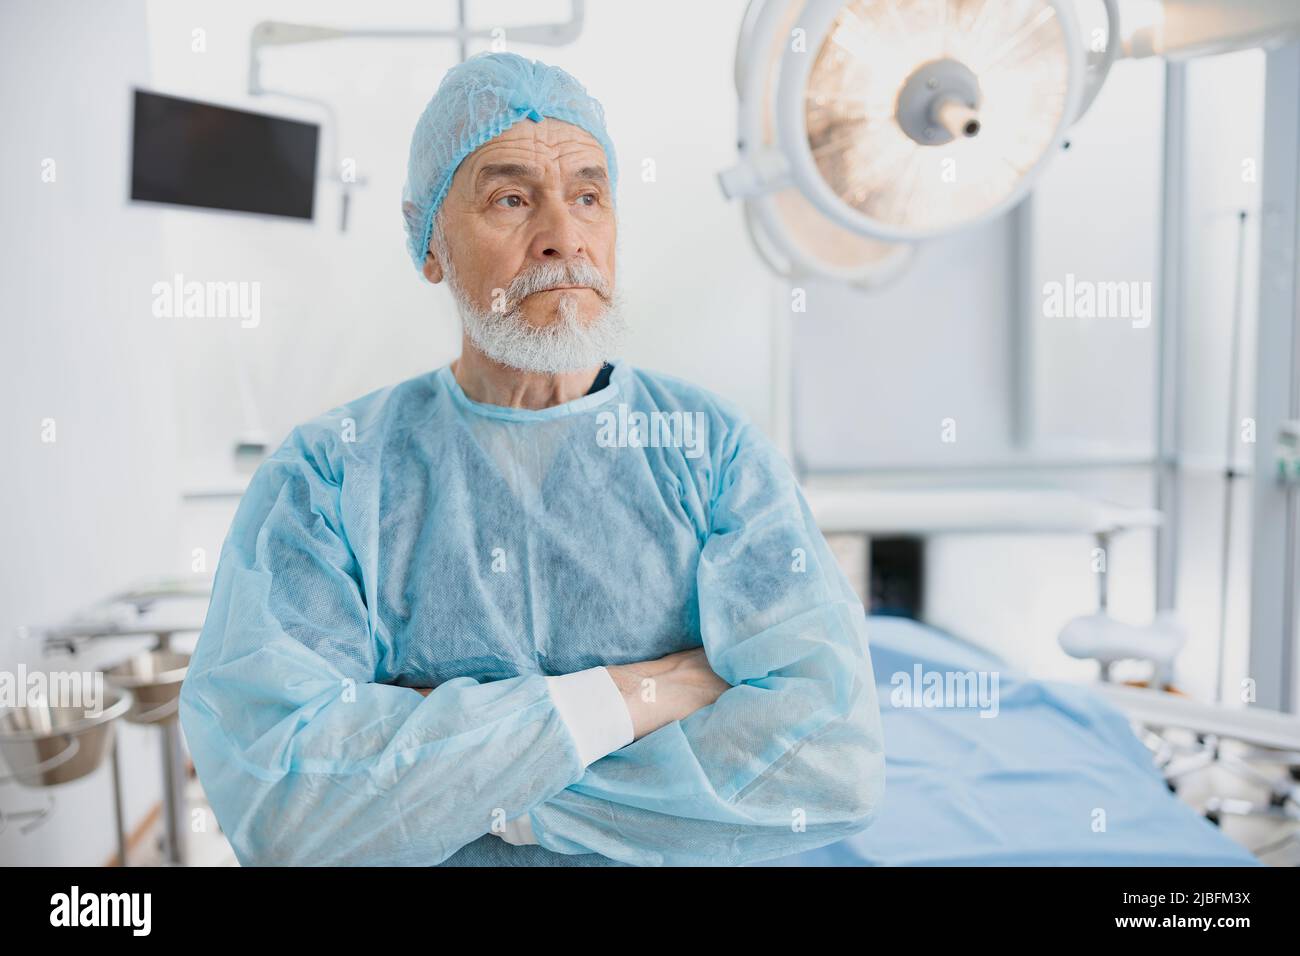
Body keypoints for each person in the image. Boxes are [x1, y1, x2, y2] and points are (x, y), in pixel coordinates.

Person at [179, 51, 885, 866]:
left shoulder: (713, 454)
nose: (562, 239)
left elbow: (829, 763)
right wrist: (664, 687)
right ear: (429, 245)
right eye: (511, 199)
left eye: (588, 196)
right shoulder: (330, 479)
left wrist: (455, 784)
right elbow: (287, 802)